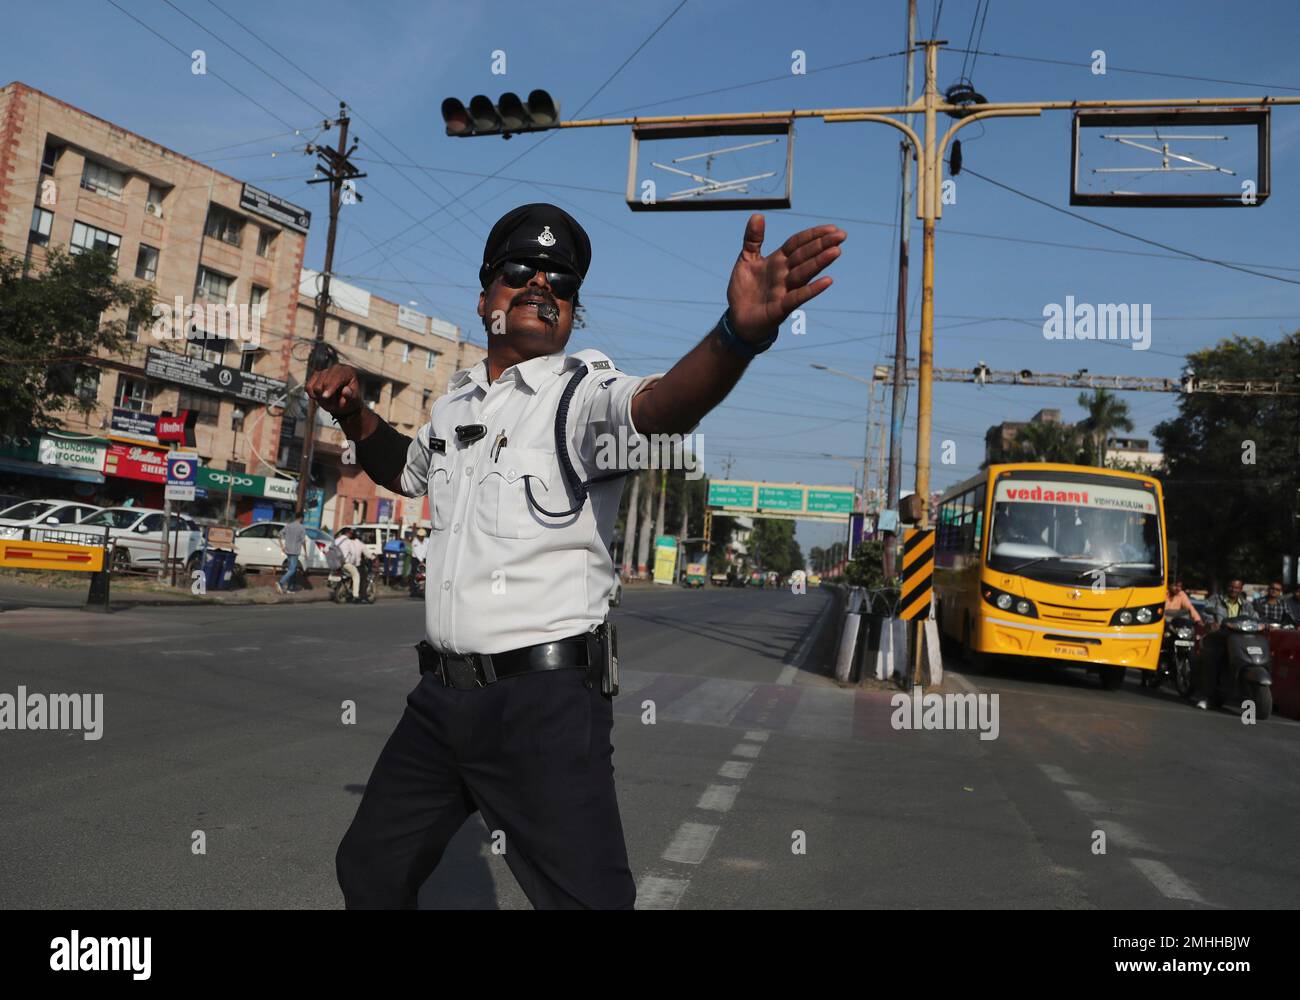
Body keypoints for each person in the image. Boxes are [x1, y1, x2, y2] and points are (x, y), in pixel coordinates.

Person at [309, 201, 845, 909]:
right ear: (484, 295)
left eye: (561, 279)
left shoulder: (580, 400)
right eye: (519, 270)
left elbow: (659, 410)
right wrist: (352, 410)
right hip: (440, 703)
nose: (541, 282)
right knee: (371, 869)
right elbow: (403, 466)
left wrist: (734, 339)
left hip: (542, 708)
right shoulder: (456, 405)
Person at [277, 513, 307, 594]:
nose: (303, 520)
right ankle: (280, 583)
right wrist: (306, 552)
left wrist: (282, 547)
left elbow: (279, 535)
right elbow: (303, 541)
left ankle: (290, 588)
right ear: (301, 518)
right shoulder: (301, 528)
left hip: (288, 550)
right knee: (292, 570)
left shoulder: (288, 526)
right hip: (295, 551)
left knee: (292, 569)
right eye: (303, 519)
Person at [336, 526, 365, 600]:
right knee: (356, 575)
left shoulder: (336, 540)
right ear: (348, 533)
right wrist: (353, 563)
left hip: (333, 563)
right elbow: (353, 554)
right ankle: (355, 595)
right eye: (351, 533)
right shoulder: (349, 542)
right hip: (344, 563)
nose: (351, 535)